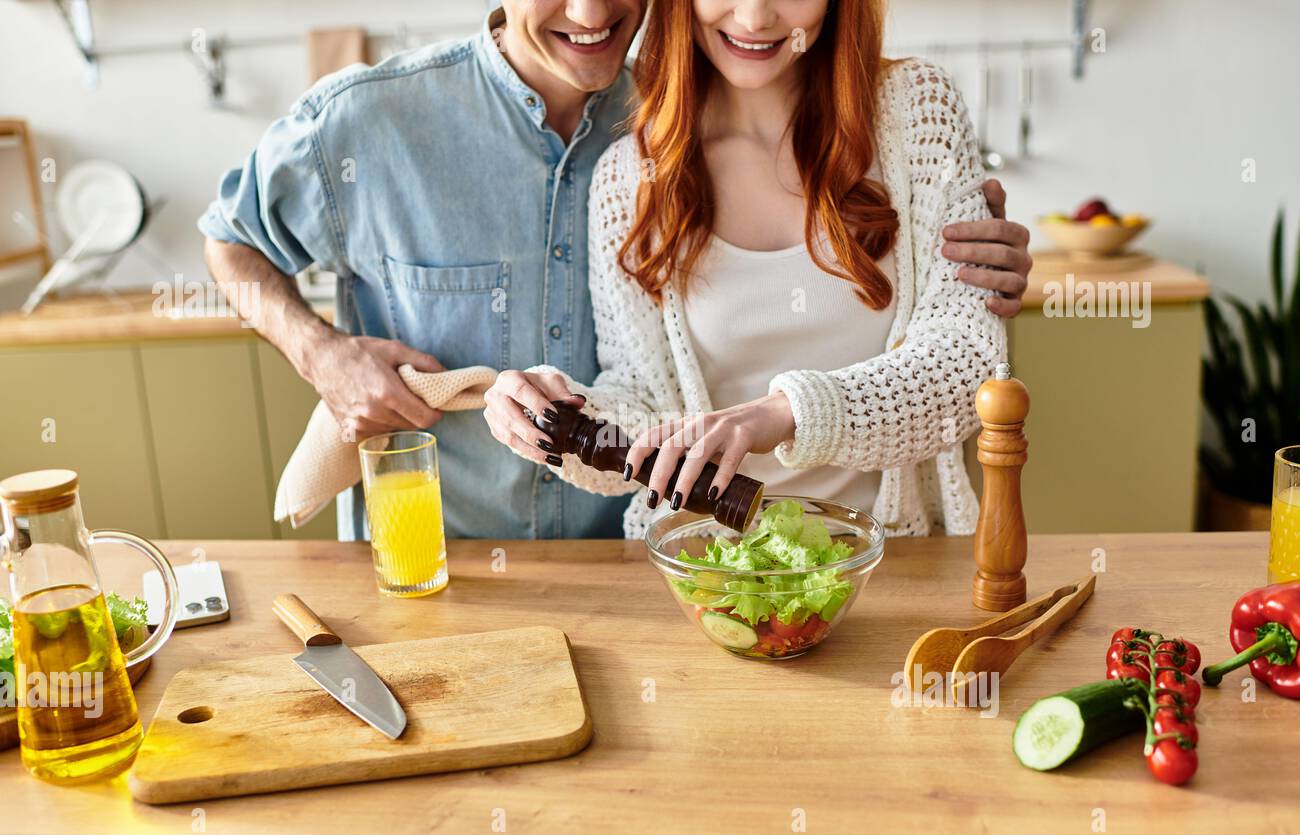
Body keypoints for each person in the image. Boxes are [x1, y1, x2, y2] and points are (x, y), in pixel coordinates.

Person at [202, 2, 1031, 540]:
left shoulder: (908, 112)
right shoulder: (625, 167)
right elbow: (230, 238)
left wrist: (776, 414)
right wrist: (543, 415)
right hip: (480, 567)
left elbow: (964, 364)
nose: (592, 12)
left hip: (864, 564)